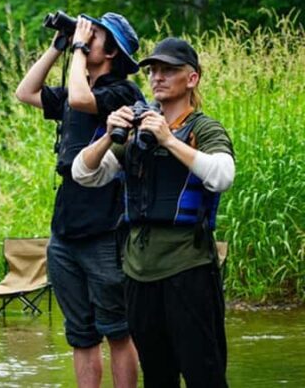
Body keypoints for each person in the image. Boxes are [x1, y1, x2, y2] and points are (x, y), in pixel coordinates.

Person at [73, 38, 235, 387]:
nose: (157, 77)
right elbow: (84, 174)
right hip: (139, 273)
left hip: (188, 269)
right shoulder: (137, 130)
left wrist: (169, 140)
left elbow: (223, 175)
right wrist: (107, 135)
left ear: (192, 79)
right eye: (153, 70)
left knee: (203, 373)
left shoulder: (204, 129)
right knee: (158, 377)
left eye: (168, 70)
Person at [15, 13, 142, 387]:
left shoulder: (124, 92)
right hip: (66, 224)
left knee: (117, 328)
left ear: (112, 51)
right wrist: (59, 47)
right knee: (81, 333)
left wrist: (80, 50)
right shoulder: (75, 87)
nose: (87, 38)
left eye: (97, 35)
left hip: (105, 223)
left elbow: (85, 100)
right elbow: (25, 92)